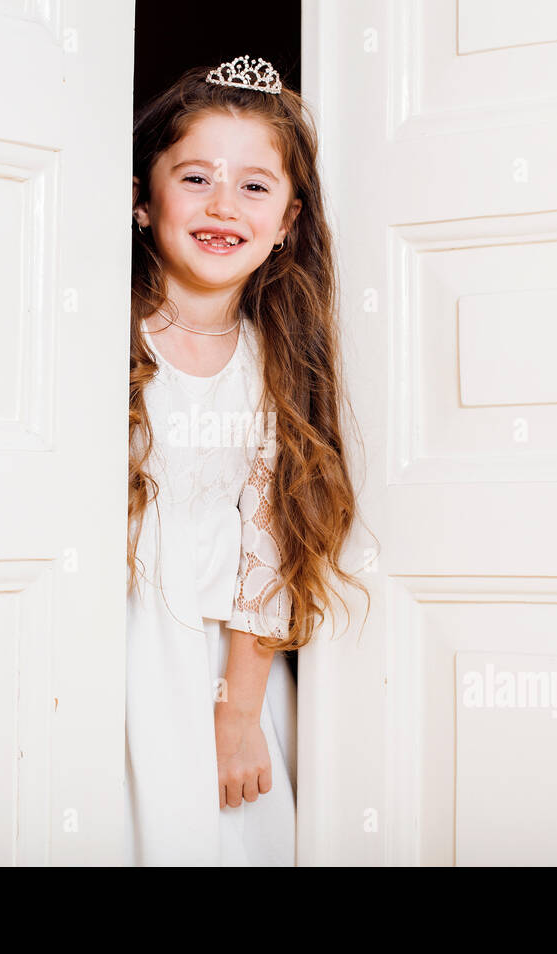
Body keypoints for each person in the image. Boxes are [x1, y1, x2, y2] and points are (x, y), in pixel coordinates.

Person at [125, 55, 367, 866]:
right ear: (142, 199)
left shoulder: (270, 364)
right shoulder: (107, 339)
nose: (223, 205)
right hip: (109, 643)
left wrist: (236, 715)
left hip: (219, 665)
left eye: (254, 186)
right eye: (196, 178)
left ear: (289, 220)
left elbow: (269, 545)